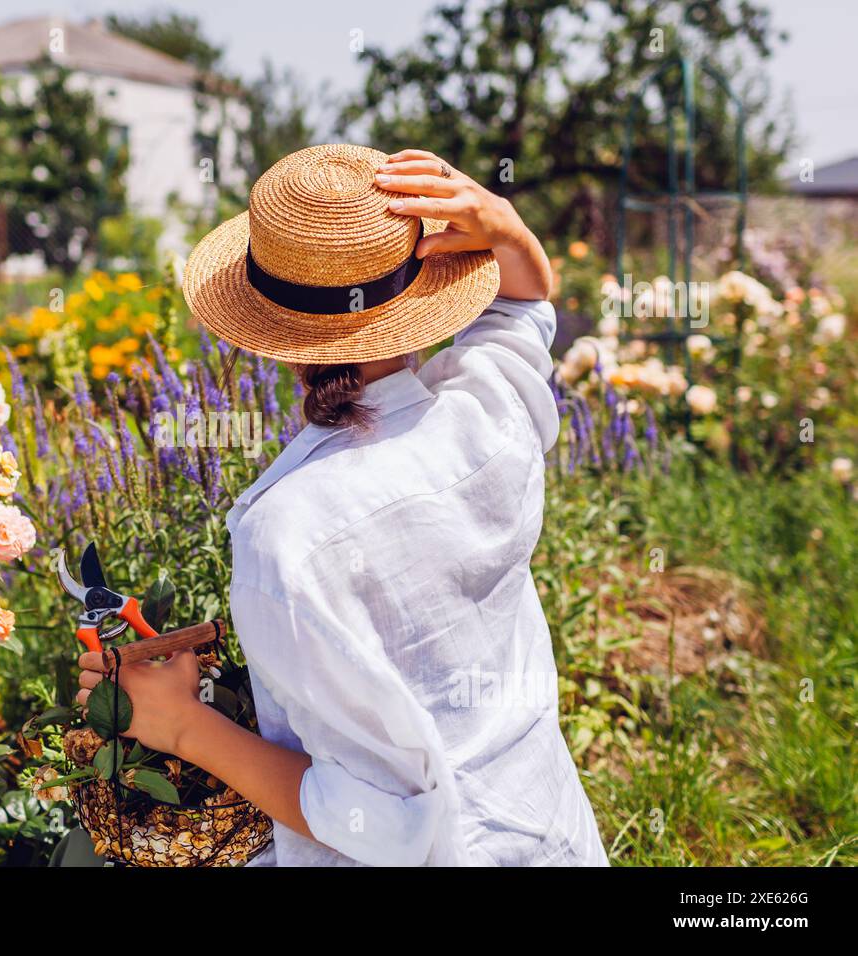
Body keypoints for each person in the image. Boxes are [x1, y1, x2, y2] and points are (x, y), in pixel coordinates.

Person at [76, 144, 608, 866]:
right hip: (551, 835)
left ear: (273, 339)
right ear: (422, 293)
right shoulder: (489, 418)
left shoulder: (284, 535)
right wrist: (507, 227)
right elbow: (523, 307)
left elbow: (382, 824)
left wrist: (181, 725)